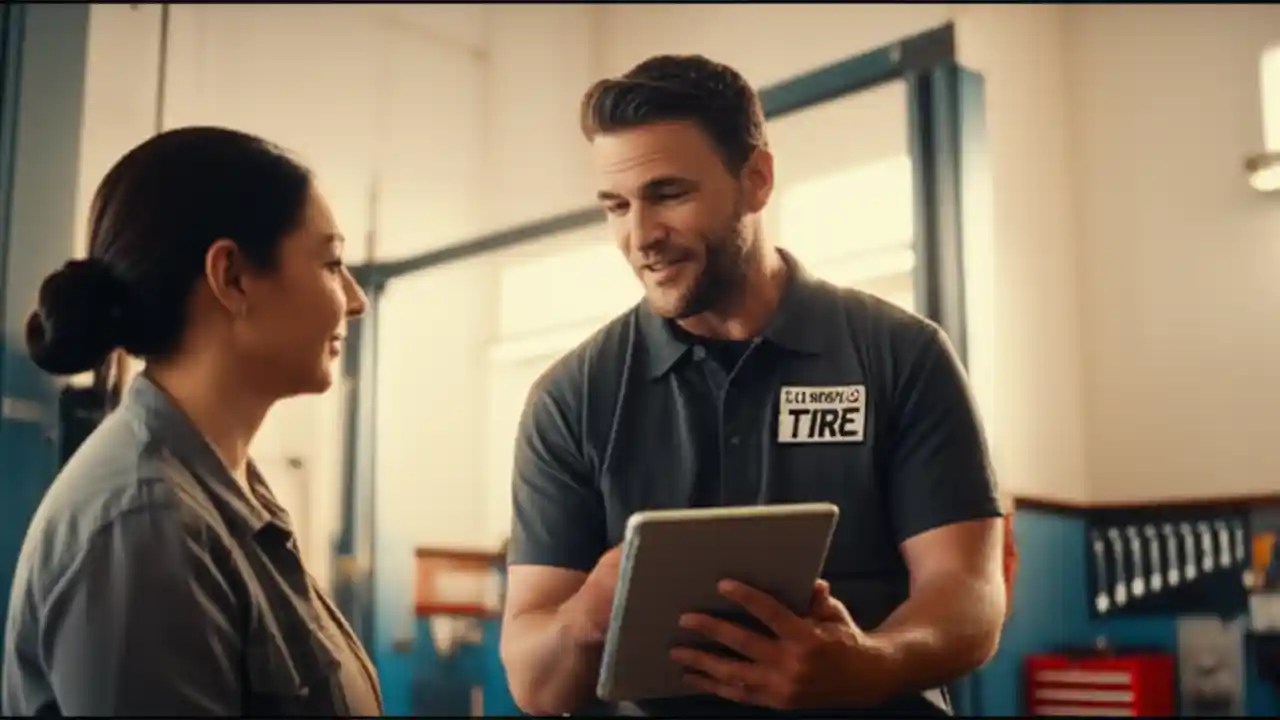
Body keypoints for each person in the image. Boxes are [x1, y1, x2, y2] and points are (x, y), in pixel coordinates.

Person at [499, 54, 1007, 717]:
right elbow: (536, 686)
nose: (640, 235)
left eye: (669, 194)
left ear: (757, 180)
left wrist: (868, 664)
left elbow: (969, 597)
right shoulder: (571, 398)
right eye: (617, 206)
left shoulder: (900, 354)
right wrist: (591, 612)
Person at [2, 127, 382, 717]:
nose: (354, 299)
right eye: (332, 263)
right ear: (231, 277)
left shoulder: (220, 497)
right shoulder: (145, 523)